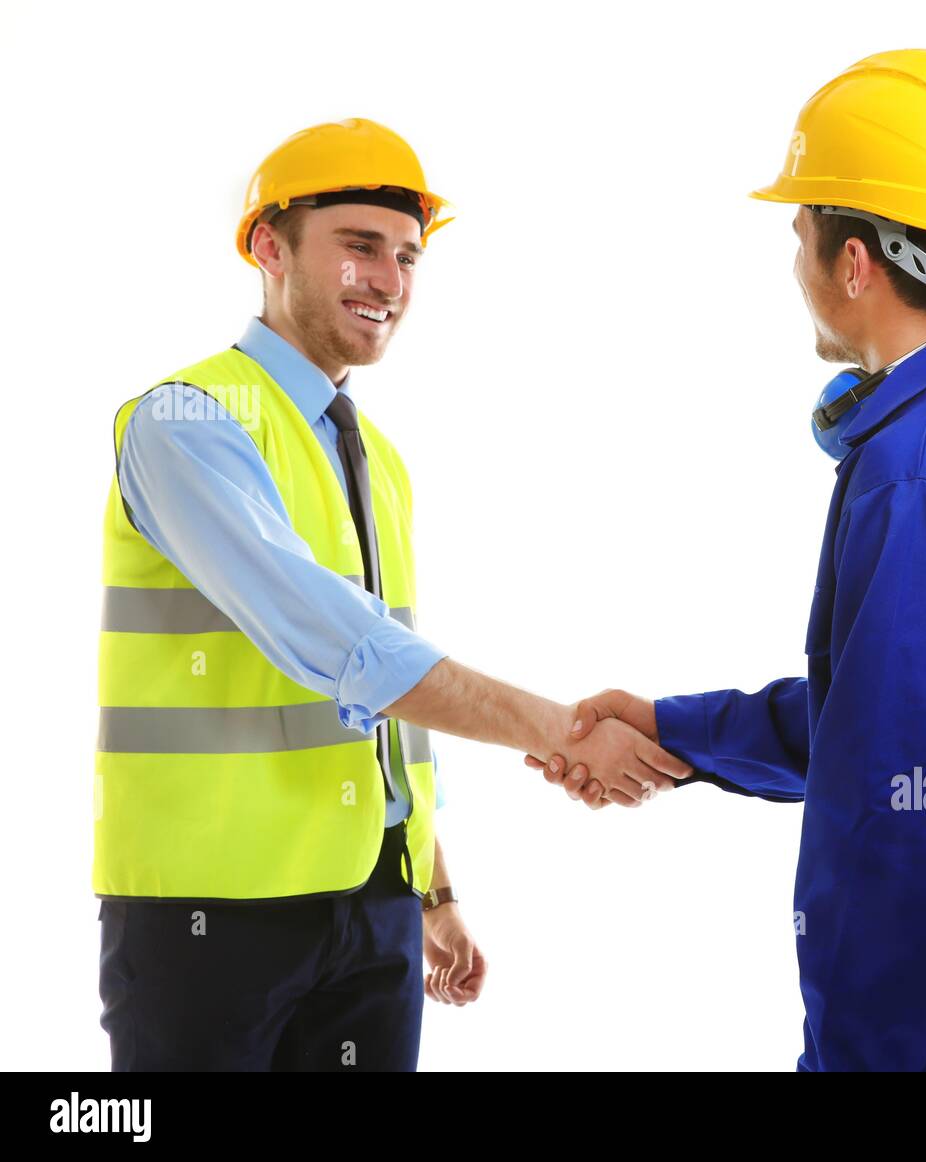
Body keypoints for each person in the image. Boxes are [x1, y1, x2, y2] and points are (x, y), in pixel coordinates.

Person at [536, 49, 926, 1072]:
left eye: (800, 234)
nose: (794, 265)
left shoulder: (917, 473)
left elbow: (912, 827)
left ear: (856, 262)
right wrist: (680, 732)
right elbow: (910, 725)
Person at [95, 117, 690, 1072]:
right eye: (359, 247)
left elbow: (387, 705)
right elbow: (334, 644)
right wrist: (556, 727)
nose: (390, 282)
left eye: (408, 256)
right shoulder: (184, 424)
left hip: (372, 908)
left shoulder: (375, 459)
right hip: (209, 919)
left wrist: (431, 889)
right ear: (268, 247)